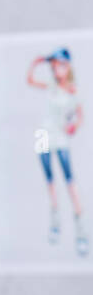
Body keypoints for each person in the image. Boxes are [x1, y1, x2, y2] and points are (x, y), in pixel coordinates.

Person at [26, 48, 86, 255]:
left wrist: (74, 126)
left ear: (67, 67)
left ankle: (80, 229)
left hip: (59, 137)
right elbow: (31, 81)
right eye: (54, 66)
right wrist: (37, 62)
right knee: (50, 180)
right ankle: (55, 222)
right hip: (43, 135)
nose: (56, 70)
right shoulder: (51, 86)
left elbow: (80, 116)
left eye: (60, 65)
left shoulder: (73, 90)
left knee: (70, 180)